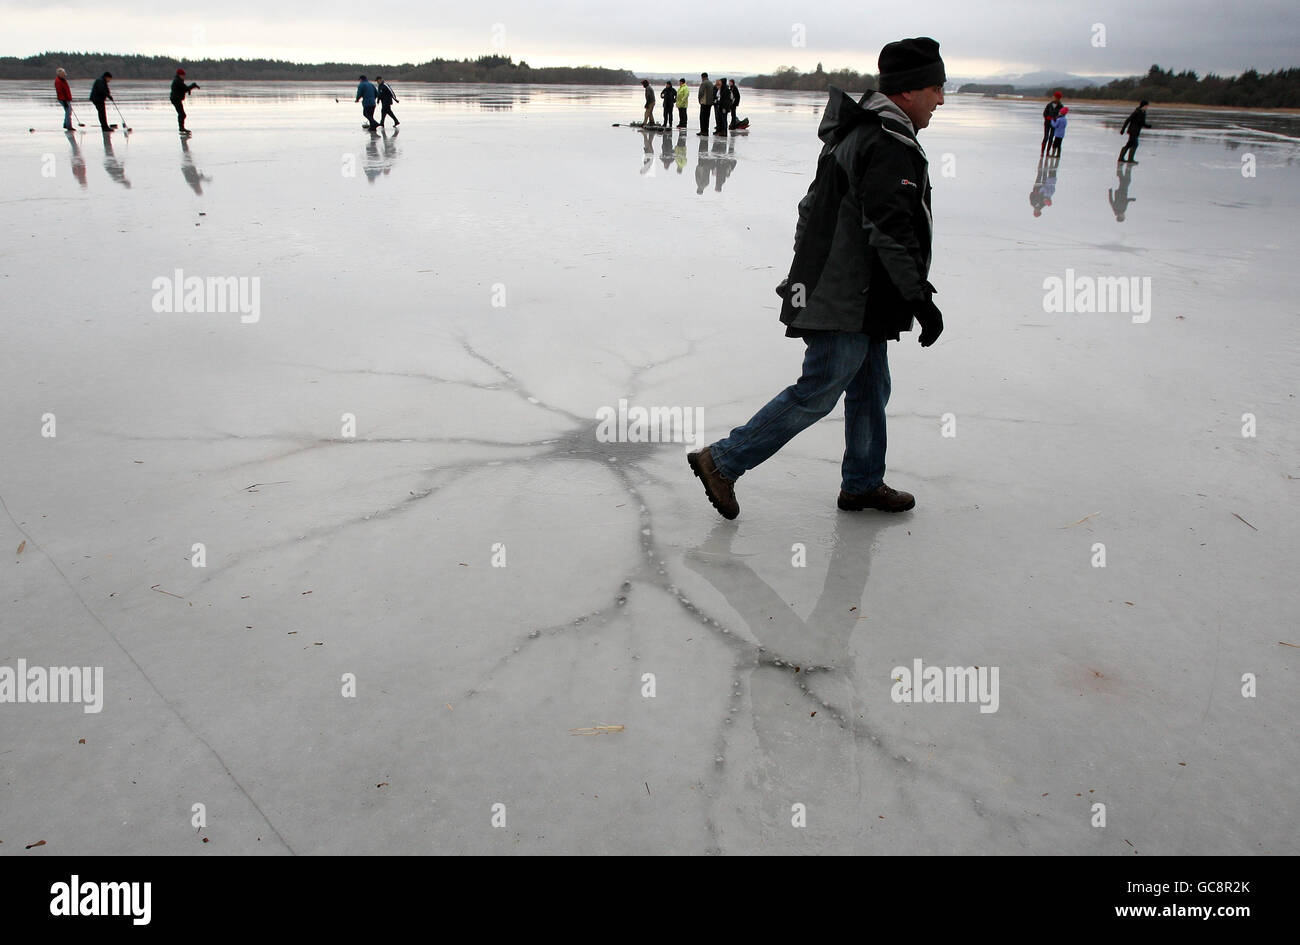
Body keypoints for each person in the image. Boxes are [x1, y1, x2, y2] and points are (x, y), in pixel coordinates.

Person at [687, 37, 947, 519]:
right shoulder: (883, 142)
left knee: (871, 387)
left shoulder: (865, 133)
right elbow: (890, 229)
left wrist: (804, 274)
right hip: (845, 293)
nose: (941, 100)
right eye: (936, 88)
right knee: (820, 388)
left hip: (857, 293)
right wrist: (919, 297)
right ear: (909, 91)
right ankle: (721, 461)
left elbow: (811, 211)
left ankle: (863, 484)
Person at [170, 68, 200, 134]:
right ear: (180, 75)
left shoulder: (178, 80)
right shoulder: (177, 81)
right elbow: (185, 88)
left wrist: (189, 89)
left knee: (182, 114)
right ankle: (181, 128)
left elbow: (184, 89)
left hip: (176, 99)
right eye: (183, 75)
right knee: (182, 114)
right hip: (175, 99)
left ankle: (181, 128)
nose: (184, 76)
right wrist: (193, 86)